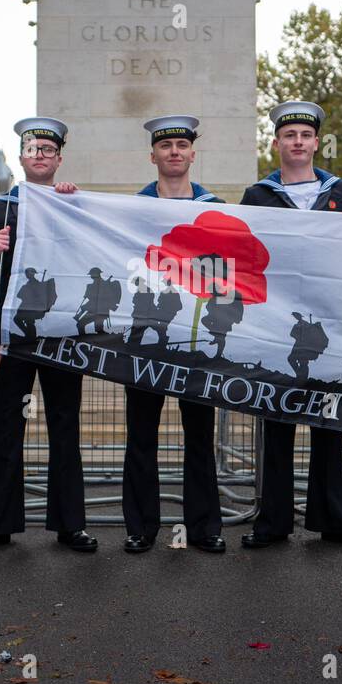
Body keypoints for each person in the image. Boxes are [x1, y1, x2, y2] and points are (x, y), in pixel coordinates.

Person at [237, 101, 342, 551]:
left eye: (305, 136)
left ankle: (336, 521)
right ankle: (272, 522)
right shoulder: (258, 196)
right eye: (289, 136)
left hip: (332, 325)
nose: (297, 143)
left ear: (317, 143)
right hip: (277, 326)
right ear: (277, 143)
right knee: (276, 421)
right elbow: (242, 261)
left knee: (329, 422)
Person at [0, 117, 98, 554]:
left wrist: (76, 209)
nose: (39, 156)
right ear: (21, 158)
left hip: (60, 335)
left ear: (59, 158)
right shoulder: (0, 207)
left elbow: (92, 262)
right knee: (8, 427)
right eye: (32, 150)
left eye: (47, 151)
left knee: (64, 426)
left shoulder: (73, 205)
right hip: (15, 337)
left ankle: (70, 525)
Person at [120, 114, 226, 554]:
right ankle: (141, 528)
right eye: (166, 147)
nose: (175, 152)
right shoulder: (129, 210)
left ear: (193, 154)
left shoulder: (216, 208)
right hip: (147, 334)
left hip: (195, 334)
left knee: (199, 435)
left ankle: (203, 528)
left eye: (182, 145)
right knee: (141, 434)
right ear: (153, 156)